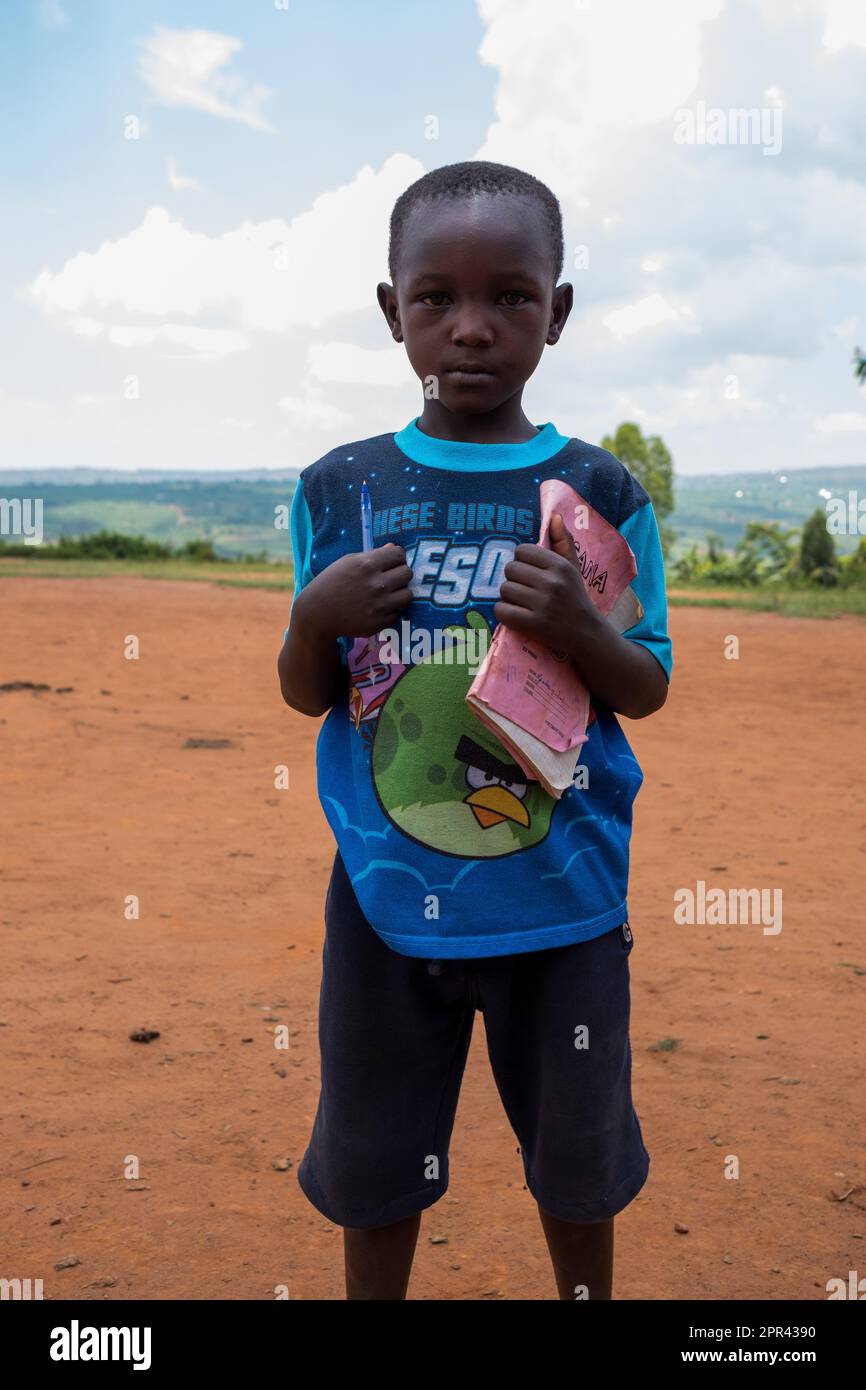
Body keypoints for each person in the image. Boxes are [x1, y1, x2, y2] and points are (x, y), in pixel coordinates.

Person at [277, 160, 672, 1300]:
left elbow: (641, 687)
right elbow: (309, 690)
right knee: (375, 1163)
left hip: (561, 898)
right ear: (389, 308)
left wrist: (585, 630)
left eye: (508, 296)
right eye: (434, 298)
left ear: (555, 310)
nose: (471, 328)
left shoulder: (601, 487)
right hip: (385, 897)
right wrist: (315, 615)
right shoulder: (339, 486)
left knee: (577, 1166)